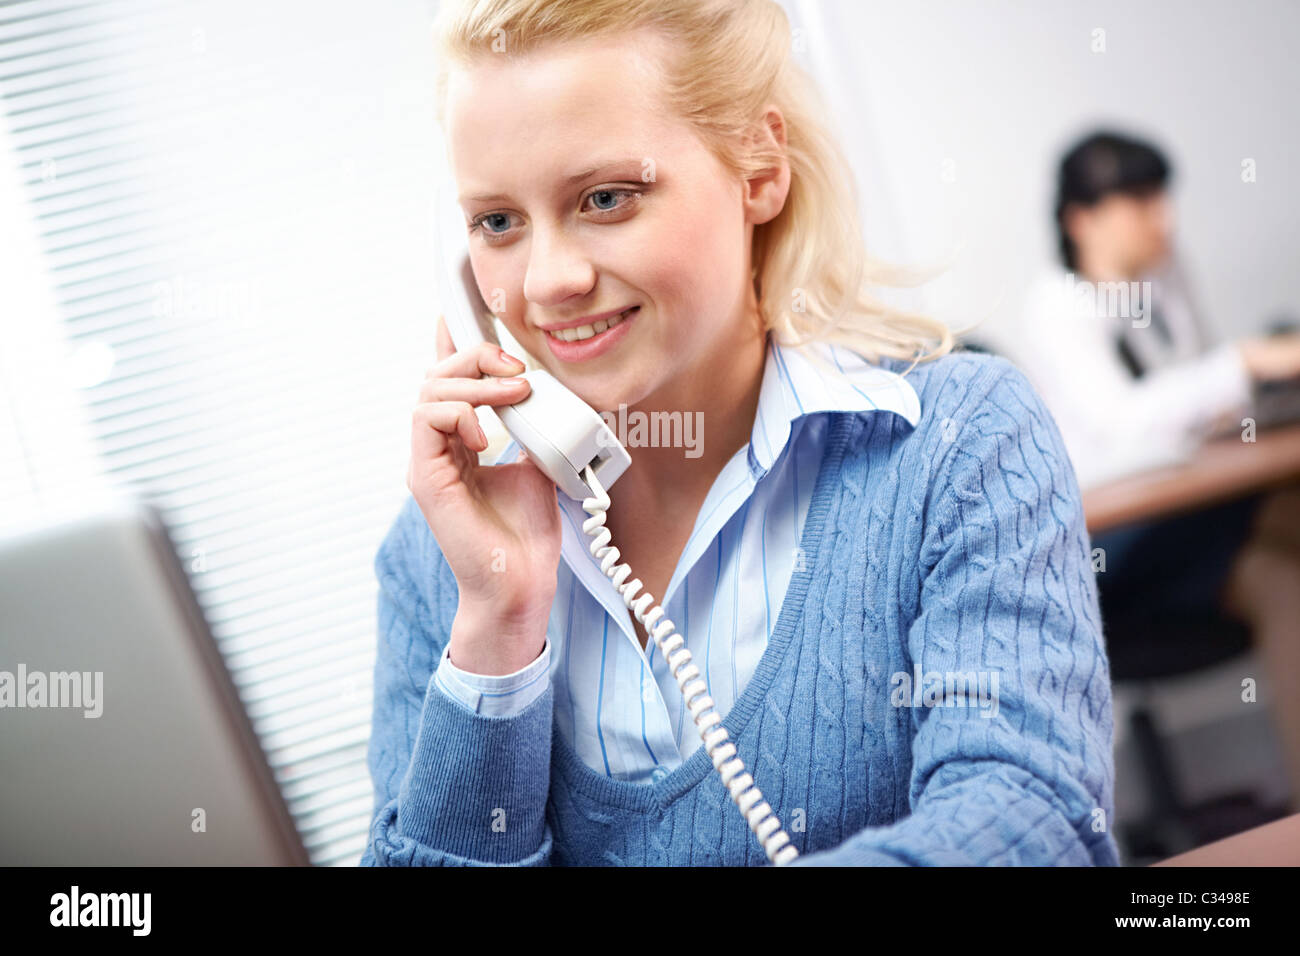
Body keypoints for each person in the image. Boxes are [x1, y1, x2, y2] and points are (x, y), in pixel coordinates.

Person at [360, 0, 1118, 866]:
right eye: (497, 223)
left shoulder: (958, 444)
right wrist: (497, 625)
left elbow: (1030, 824)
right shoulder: (439, 555)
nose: (548, 282)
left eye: (606, 198)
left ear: (759, 167)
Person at [978, 130, 1300, 812]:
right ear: (1083, 219)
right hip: (1118, 555)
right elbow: (1125, 423)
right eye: (1143, 202)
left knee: (1285, 536)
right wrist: (1245, 364)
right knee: (1282, 553)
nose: (1166, 219)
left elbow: (1194, 397)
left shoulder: (1164, 279)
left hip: (1191, 518)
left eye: (1164, 199)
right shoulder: (1057, 307)